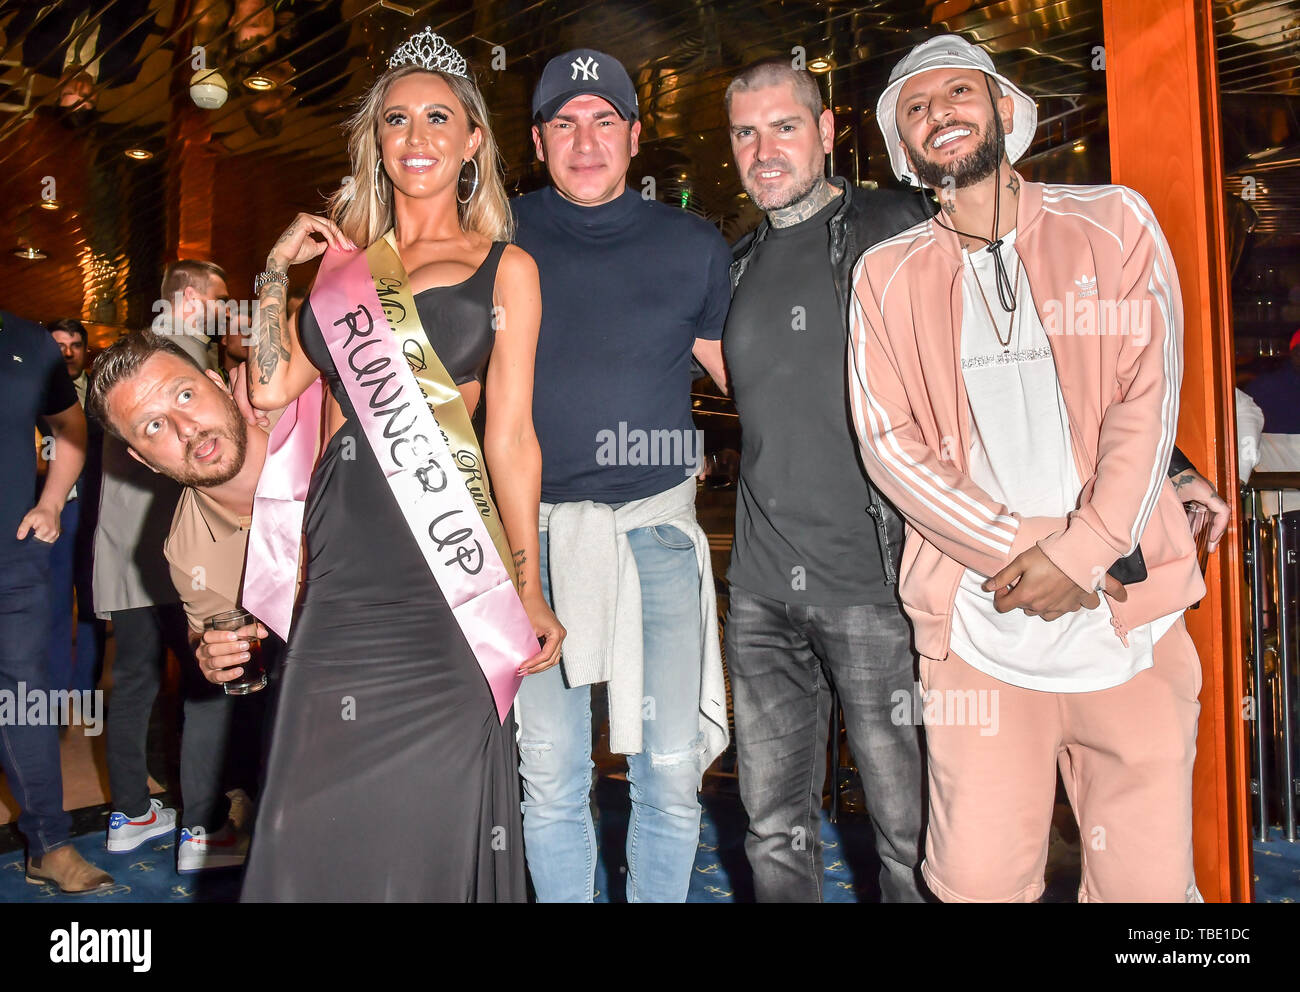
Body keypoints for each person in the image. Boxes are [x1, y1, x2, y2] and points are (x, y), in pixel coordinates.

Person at [849, 34, 1209, 902]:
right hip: (977, 635)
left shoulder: (1114, 220)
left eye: (959, 92)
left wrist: (1082, 553)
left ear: (1005, 110)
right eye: (917, 107)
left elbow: (1147, 398)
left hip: (1129, 621)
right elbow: (889, 446)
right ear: (904, 150)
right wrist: (1027, 554)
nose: (942, 113)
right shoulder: (885, 275)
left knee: (1150, 894)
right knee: (973, 884)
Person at [242, 28, 561, 902]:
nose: (415, 138)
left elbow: (511, 438)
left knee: (440, 793)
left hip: (447, 559)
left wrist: (528, 585)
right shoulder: (341, 272)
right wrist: (275, 270)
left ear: (471, 141)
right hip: (347, 558)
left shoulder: (507, 268)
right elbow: (271, 390)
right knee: (310, 790)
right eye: (395, 121)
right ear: (374, 142)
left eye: (437, 119)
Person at [511, 49, 731, 903]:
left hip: (658, 541)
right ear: (538, 141)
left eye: (605, 120)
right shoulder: (498, 235)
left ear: (636, 137)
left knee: (670, 778)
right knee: (553, 777)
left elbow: (741, 374)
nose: (586, 139)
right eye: (564, 123)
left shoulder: (693, 245)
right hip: (533, 544)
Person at [721, 58, 932, 902]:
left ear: (828, 130)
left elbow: (1017, 346)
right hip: (764, 594)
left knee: (909, 833)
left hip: (878, 588)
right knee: (774, 828)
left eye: (784, 126)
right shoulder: (733, 266)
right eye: (745, 132)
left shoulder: (901, 225)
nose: (764, 149)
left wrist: (1168, 467)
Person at [87, 337, 275, 872]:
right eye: (153, 426)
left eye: (186, 395)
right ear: (139, 458)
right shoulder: (187, 549)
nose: (185, 429)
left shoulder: (324, 436)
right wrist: (208, 655)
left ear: (220, 384)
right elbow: (213, 641)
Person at [0, 308, 108, 893]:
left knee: (23, 701)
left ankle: (49, 844)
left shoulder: (26, 342)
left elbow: (71, 428)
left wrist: (51, 501)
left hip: (11, 561)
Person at [44, 318, 104, 694]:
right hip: (53, 513)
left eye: (75, 345)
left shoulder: (100, 395)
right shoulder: (31, 393)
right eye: (58, 345)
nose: (67, 352)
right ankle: (53, 691)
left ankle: (85, 689)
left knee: (95, 602)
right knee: (53, 605)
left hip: (96, 512)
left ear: (85, 350)